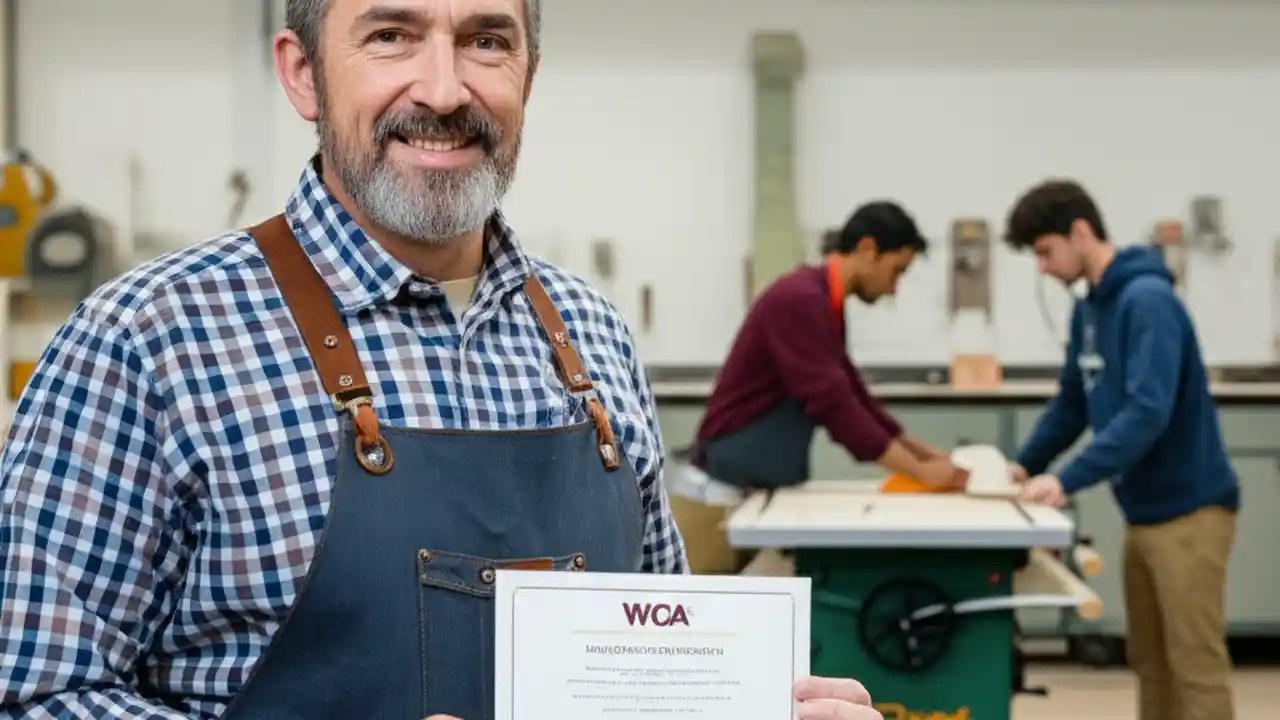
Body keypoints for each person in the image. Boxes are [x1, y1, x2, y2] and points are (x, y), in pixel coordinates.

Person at [0, 1, 883, 719]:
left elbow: (659, 677)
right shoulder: (151, 337)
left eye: (486, 41)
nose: (444, 87)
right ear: (303, 72)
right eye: (391, 35)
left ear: (528, 72)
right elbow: (32, 692)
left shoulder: (593, 333)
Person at [1004, 178, 1239, 720]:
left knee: (1194, 668)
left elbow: (1147, 412)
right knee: (1150, 663)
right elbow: (1072, 403)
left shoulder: (1146, 301)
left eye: (1045, 251)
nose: (1041, 267)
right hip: (1144, 512)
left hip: (1190, 512)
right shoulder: (1090, 311)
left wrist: (1064, 480)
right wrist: (1024, 465)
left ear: (1080, 232)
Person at [691, 201, 970, 492]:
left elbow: (853, 393)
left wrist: (930, 456)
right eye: (896, 271)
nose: (893, 288)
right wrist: (921, 472)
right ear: (867, 249)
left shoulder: (823, 301)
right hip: (725, 483)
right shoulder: (800, 299)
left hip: (754, 480)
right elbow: (833, 403)